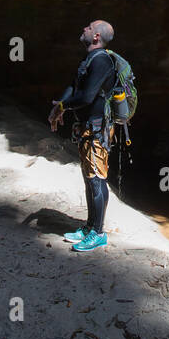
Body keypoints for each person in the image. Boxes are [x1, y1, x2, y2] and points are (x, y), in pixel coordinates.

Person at [48, 20, 117, 252]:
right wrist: (59, 106)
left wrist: (64, 107)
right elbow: (74, 86)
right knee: (90, 178)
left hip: (98, 128)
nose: (84, 28)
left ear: (96, 36)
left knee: (97, 178)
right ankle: (89, 227)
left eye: (88, 27)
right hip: (86, 126)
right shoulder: (88, 59)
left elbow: (86, 97)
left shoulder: (103, 61)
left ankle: (98, 233)